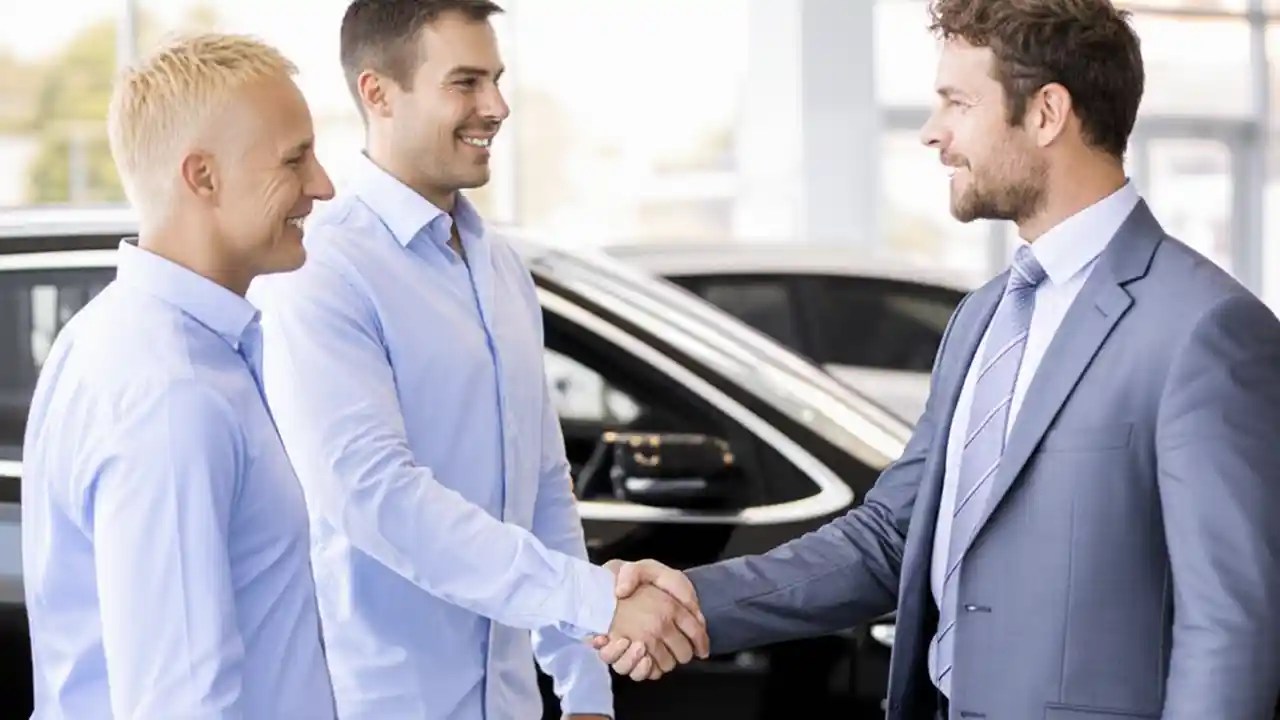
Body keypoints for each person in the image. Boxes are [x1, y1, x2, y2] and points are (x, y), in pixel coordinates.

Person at [593, 1, 1280, 718]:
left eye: (957, 102)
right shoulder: (984, 315)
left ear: (1046, 112)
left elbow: (1230, 629)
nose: (934, 133)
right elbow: (892, 537)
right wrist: (694, 598)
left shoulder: (1205, 330)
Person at [245, 1, 708, 718]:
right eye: (465, 82)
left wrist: (584, 691)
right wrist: (593, 600)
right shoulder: (325, 266)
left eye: (495, 79)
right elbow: (374, 495)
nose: (495, 106)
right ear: (378, 93)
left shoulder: (500, 267)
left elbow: (544, 489)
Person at [20, 33, 338, 718]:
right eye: (295, 159)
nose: (323, 185)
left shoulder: (117, 339)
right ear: (203, 177)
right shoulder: (172, 393)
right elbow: (179, 702)